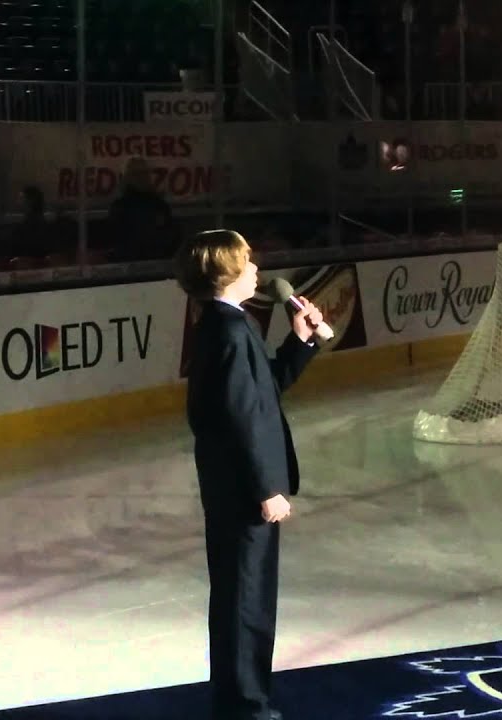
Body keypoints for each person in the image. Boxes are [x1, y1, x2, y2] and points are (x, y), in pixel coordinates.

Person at [174, 229, 324, 720]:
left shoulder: (231, 325)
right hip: (242, 491)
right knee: (246, 602)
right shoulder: (230, 331)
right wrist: (266, 488)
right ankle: (246, 707)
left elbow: (263, 394)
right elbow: (242, 419)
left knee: (246, 598)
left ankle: (242, 699)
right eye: (249, 261)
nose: (258, 268)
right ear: (228, 273)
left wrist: (299, 342)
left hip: (234, 489)